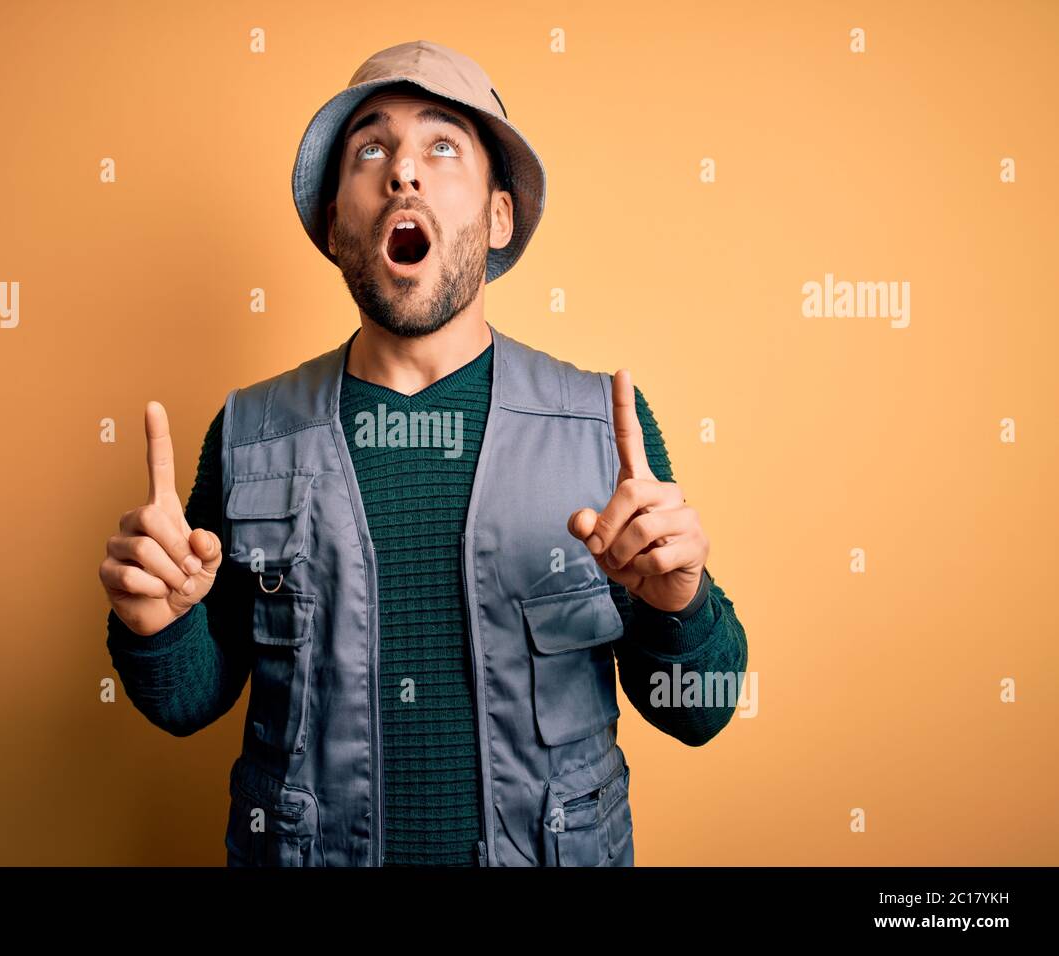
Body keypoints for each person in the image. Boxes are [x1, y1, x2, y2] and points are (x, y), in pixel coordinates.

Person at [99, 39, 748, 867]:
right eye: (371, 149)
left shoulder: (602, 426)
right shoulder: (250, 434)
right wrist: (157, 629)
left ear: (499, 215)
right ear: (336, 227)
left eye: (443, 146)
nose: (403, 171)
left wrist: (678, 606)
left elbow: (703, 710)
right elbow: (191, 701)